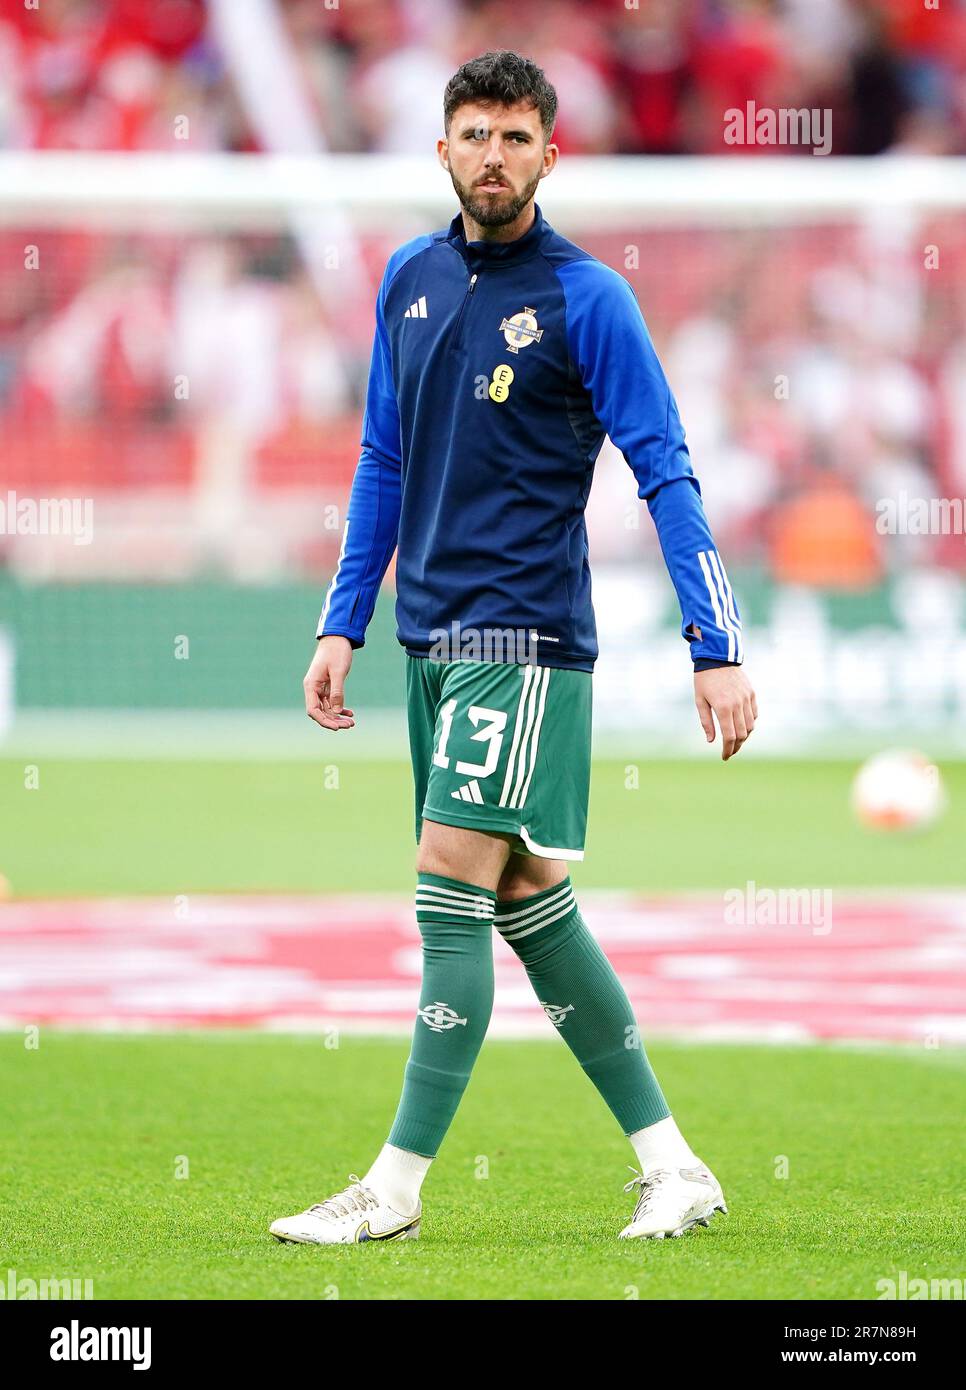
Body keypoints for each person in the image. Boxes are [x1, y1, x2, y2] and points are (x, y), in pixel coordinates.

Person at [271, 50, 757, 1246]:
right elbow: (383, 458)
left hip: (524, 639)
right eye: (474, 135)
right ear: (443, 149)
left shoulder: (592, 299)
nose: (494, 156)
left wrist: (717, 642)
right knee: (526, 897)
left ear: (552, 152)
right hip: (432, 637)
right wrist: (346, 619)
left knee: (448, 894)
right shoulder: (409, 278)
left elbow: (665, 468)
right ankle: (674, 1164)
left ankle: (392, 1190)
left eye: (516, 137)